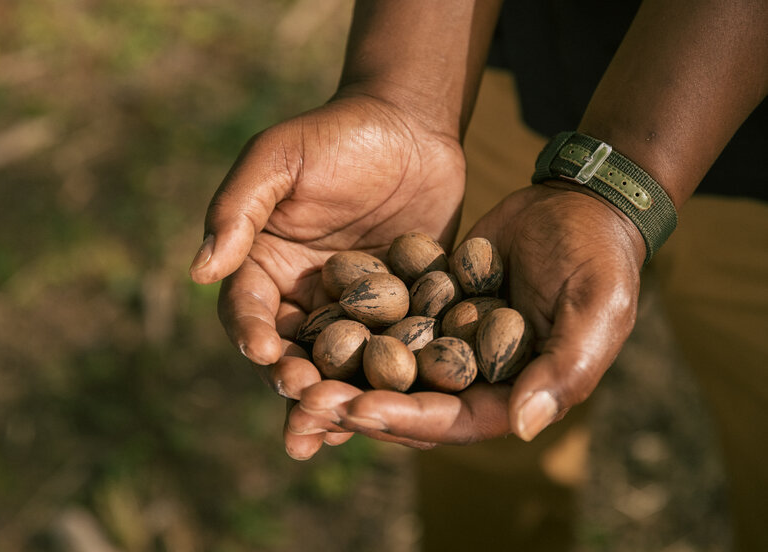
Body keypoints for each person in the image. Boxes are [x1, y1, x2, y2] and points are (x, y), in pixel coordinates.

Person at [189, 1, 768, 549]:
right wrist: (402, 99)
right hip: (497, 71)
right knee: (485, 450)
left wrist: (616, 193)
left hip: (753, 160)